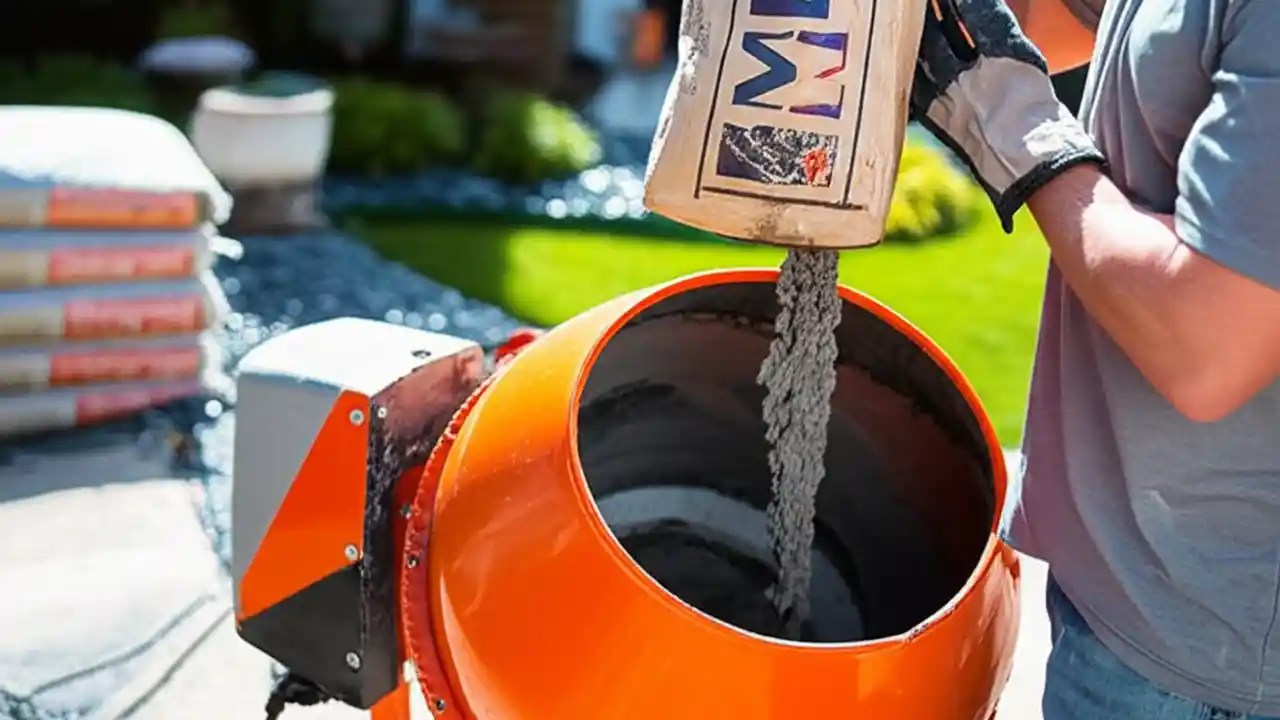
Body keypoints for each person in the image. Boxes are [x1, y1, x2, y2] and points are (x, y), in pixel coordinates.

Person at [909, 0, 1280, 717]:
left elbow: (1210, 343)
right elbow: (1067, 20)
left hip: (1208, 659)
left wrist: (1020, 131)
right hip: (1136, 603)